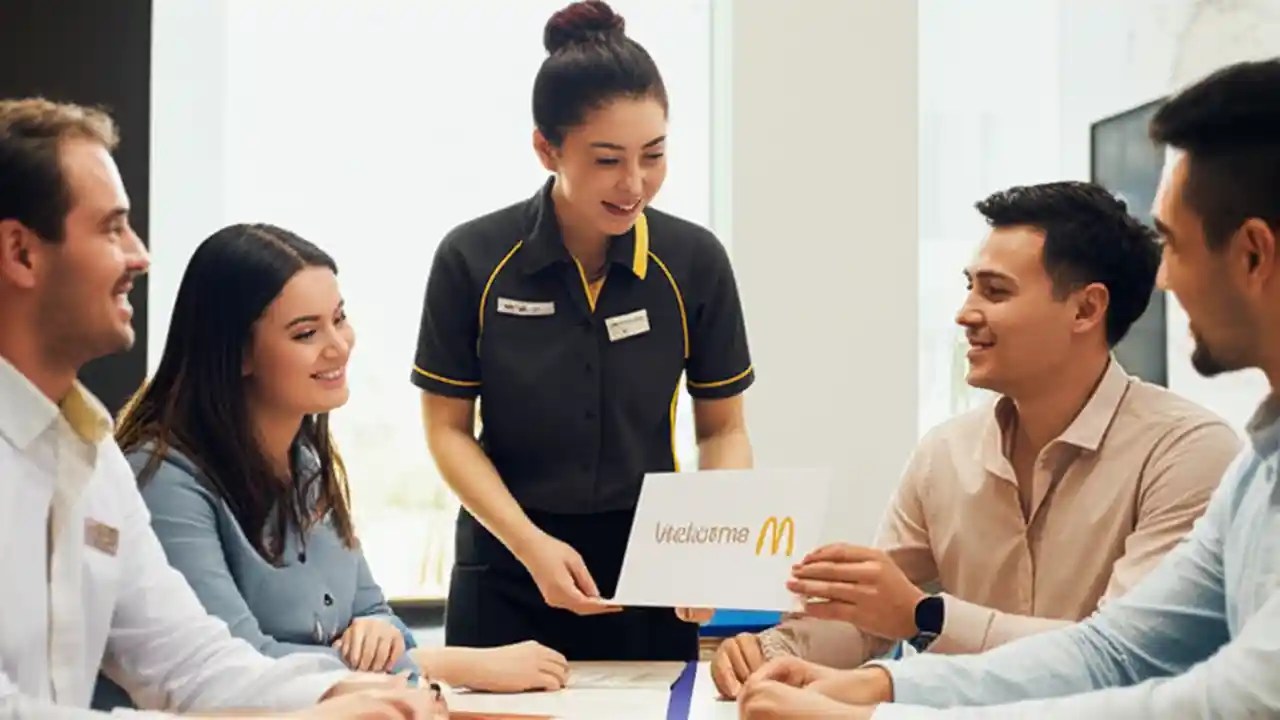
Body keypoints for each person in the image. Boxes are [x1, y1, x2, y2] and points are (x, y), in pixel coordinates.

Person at [739, 57, 1280, 720]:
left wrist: (885, 698)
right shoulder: (1256, 471)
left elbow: (1225, 700)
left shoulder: (1192, 451)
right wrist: (883, 686)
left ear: (1253, 254)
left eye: (1174, 245)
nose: (1163, 279)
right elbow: (1112, 653)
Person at [0, 97, 442, 717]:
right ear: (22, 253)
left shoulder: (88, 450)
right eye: (110, 228)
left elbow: (186, 658)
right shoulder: (153, 468)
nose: (140, 256)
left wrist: (346, 694)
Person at [712, 181, 1241, 698]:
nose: (965, 313)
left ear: (1085, 309)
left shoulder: (1188, 453)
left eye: (995, 291)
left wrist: (926, 617)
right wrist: (774, 649)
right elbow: (867, 621)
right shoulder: (944, 452)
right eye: (969, 286)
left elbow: (1126, 657)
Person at [90, 224, 566, 713]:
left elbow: (380, 618)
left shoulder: (309, 463)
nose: (339, 345)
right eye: (306, 333)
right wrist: (463, 665)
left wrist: (380, 635)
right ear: (237, 352)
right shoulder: (164, 481)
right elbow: (239, 668)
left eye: (339, 319)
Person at [412, 0, 753, 661]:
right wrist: (529, 544)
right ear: (547, 148)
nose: (634, 184)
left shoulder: (694, 262)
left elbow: (725, 428)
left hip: (649, 569)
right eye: (606, 160)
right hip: (508, 558)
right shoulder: (472, 259)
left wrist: (713, 546)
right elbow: (446, 429)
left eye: (653, 155)